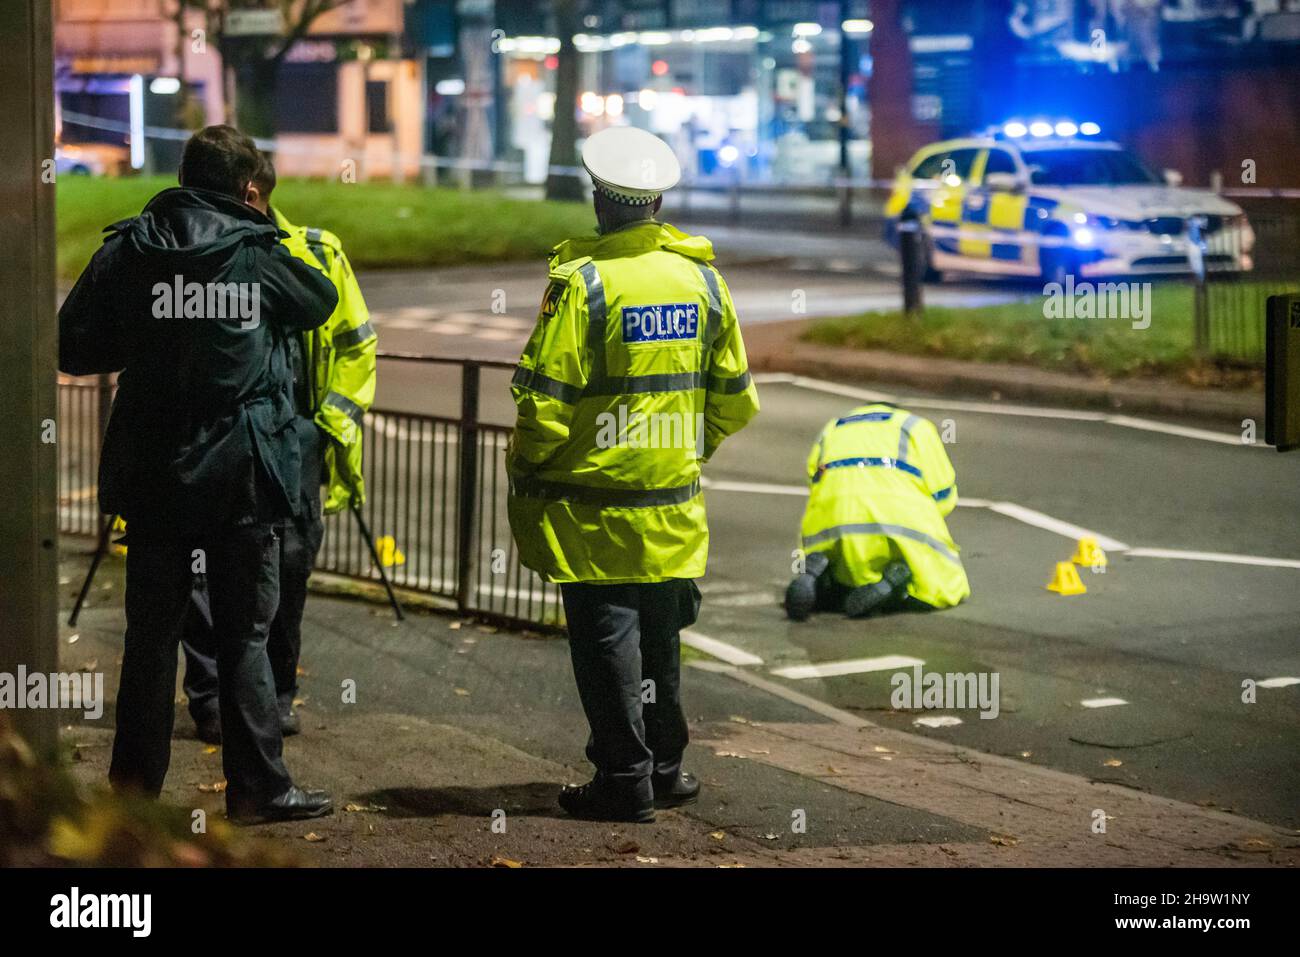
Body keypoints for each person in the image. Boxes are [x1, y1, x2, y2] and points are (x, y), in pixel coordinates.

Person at [59, 125, 337, 825]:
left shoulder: (130, 249)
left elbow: (72, 343)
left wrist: (150, 337)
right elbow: (319, 300)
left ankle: (132, 795)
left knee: (149, 635)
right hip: (241, 476)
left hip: (156, 477)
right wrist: (264, 230)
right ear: (250, 191)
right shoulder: (256, 254)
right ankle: (258, 788)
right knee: (244, 634)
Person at [507, 126, 760, 823]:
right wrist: (682, 448)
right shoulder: (703, 279)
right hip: (671, 504)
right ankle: (668, 767)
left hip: (593, 510)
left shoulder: (584, 283)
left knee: (606, 643)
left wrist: (528, 465)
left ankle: (623, 777)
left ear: (601, 201)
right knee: (660, 638)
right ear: (655, 201)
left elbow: (546, 406)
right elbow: (735, 398)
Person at [180, 153, 377, 745]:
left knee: (287, 576)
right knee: (208, 581)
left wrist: (325, 427)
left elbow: (357, 345)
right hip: (225, 442)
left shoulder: (316, 252)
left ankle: (275, 696)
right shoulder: (193, 254)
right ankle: (214, 700)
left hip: (294, 446)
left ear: (253, 196)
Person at [785, 403, 971, 621]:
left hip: (830, 528)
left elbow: (815, 482)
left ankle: (820, 578)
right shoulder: (914, 426)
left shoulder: (832, 428)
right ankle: (895, 584)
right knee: (947, 583)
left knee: (843, 567)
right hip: (897, 525)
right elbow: (943, 496)